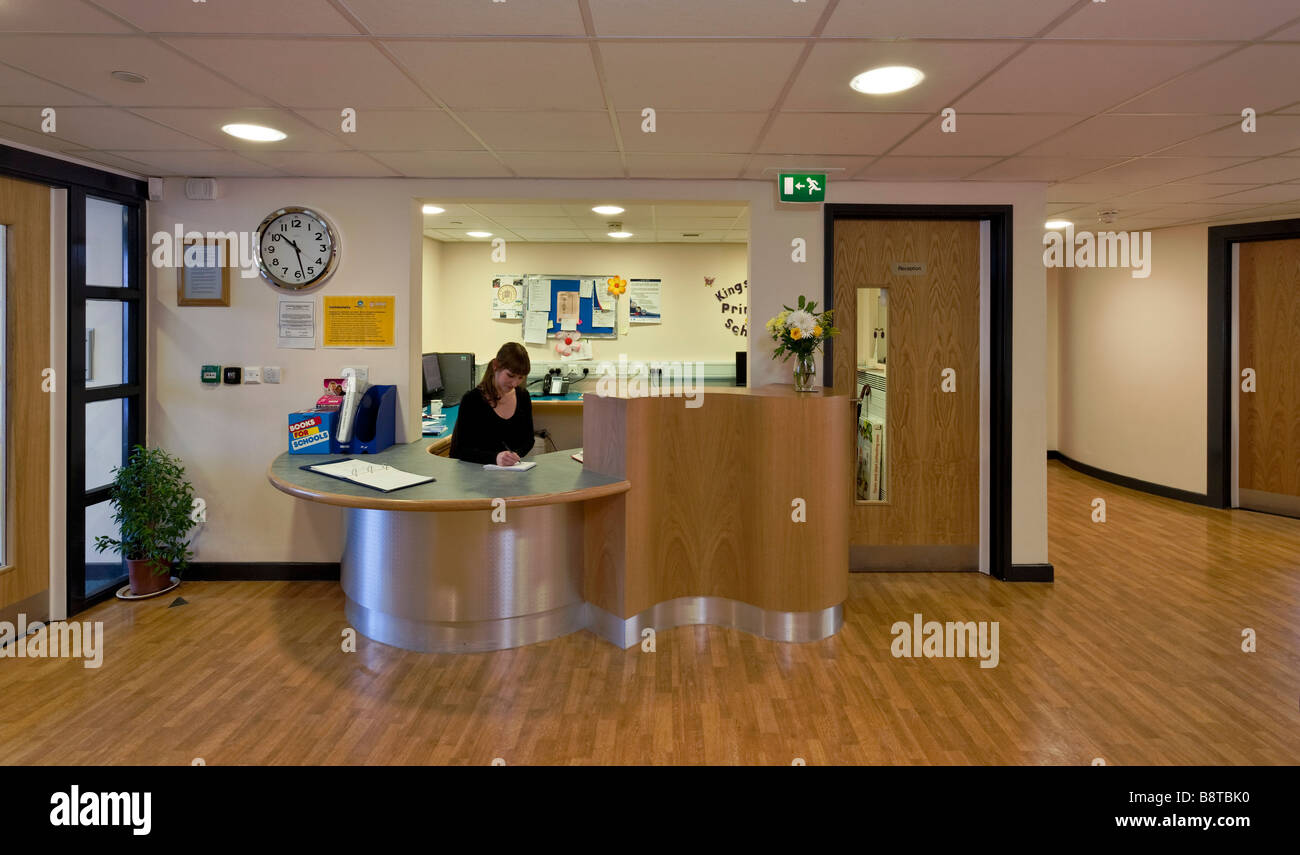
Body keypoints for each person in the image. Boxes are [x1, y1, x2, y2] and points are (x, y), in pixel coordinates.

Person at [449, 342, 535, 466]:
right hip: (477, 477)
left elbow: (529, 440)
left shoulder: (523, 396)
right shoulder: (472, 400)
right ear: (496, 366)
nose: (515, 383)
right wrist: (495, 458)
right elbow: (460, 450)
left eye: (520, 378)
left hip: (512, 473)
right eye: (510, 375)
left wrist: (514, 455)